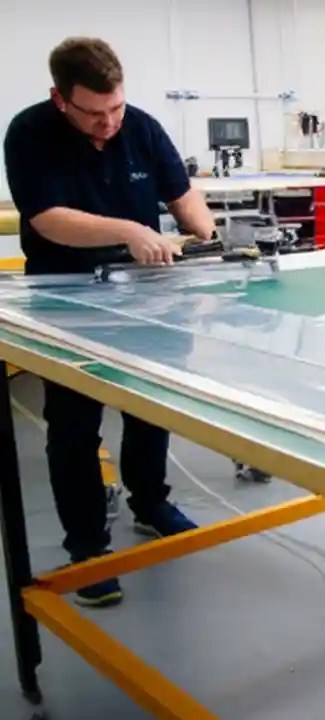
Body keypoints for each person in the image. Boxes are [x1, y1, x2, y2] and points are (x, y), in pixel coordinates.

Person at [3, 37, 217, 607]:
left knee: (150, 405)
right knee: (74, 425)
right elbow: (48, 220)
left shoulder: (141, 127)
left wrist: (209, 236)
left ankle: (150, 502)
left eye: (116, 108)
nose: (108, 123)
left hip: (146, 295)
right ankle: (87, 549)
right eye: (94, 113)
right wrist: (128, 230)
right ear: (60, 100)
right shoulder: (29, 134)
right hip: (66, 296)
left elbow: (183, 197)